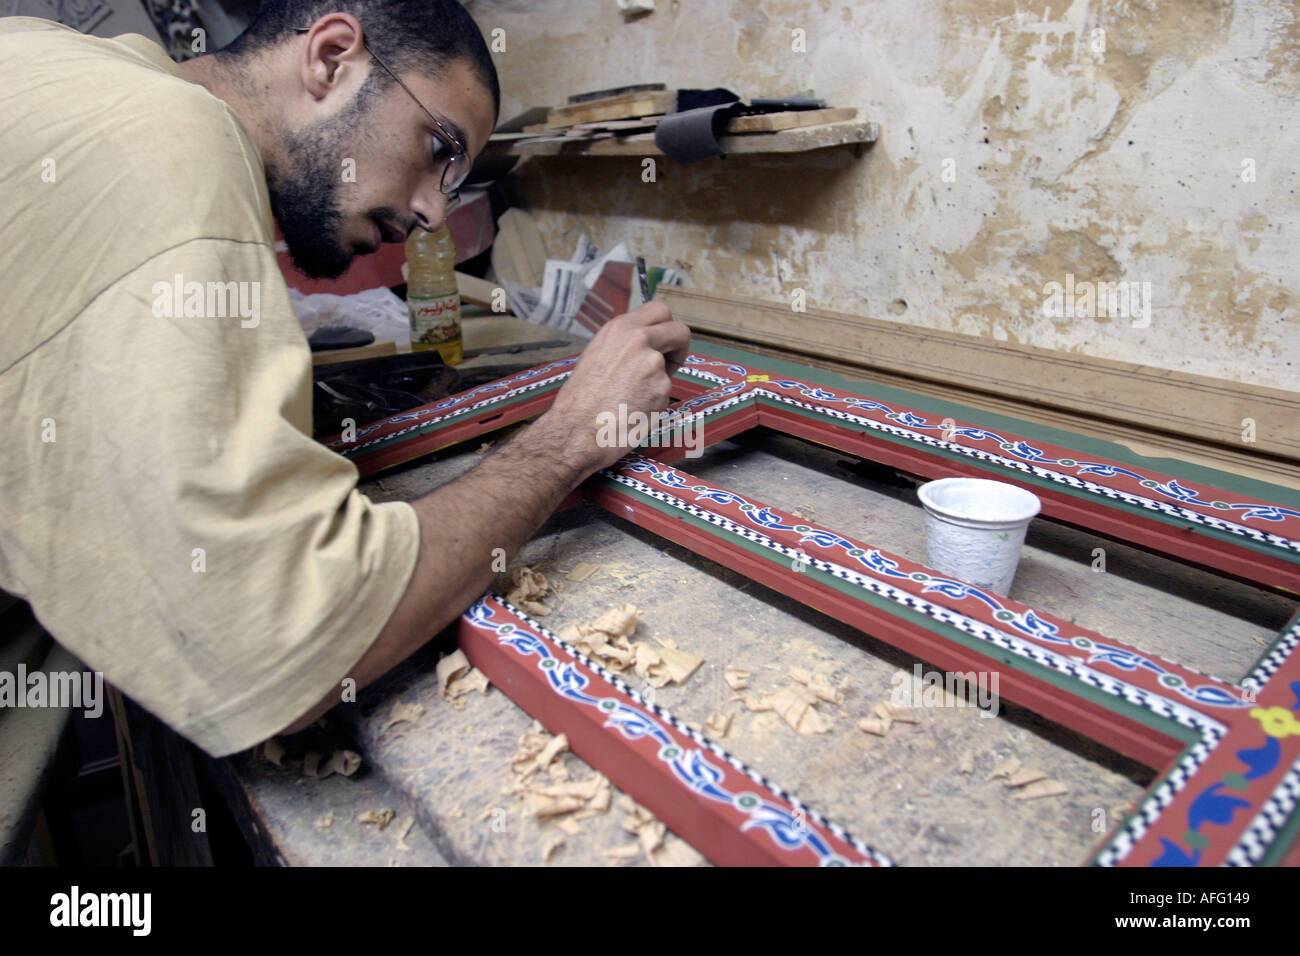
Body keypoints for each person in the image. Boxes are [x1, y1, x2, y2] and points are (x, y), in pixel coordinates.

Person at [0, 1, 690, 756]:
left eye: (454, 177)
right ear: (330, 58)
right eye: (436, 148)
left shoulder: (62, 67)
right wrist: (569, 438)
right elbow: (275, 640)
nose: (433, 212)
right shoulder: (168, 146)